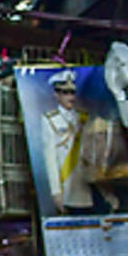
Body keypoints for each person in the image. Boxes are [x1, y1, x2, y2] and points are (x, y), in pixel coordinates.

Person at [41, 69, 95, 213]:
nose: (70, 97)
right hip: (67, 186)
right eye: (65, 92)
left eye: (72, 92)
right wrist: (56, 192)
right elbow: (50, 159)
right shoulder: (50, 120)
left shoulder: (83, 118)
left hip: (86, 186)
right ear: (56, 94)